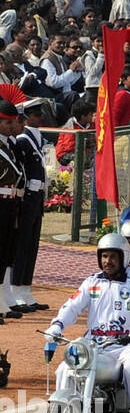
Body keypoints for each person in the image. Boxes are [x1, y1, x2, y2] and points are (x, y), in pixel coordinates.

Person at [45, 233, 130, 413]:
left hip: (124, 345)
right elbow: (73, 306)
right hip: (94, 345)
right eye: (104, 256)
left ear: (124, 258)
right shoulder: (92, 282)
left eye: (113, 256)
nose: (108, 261)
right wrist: (57, 325)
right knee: (64, 369)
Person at [8, 103, 44, 313]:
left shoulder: (32, 138)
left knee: (32, 244)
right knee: (21, 245)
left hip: (36, 195)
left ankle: (25, 289)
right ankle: (15, 289)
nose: (41, 118)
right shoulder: (22, 140)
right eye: (36, 115)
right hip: (25, 196)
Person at [0, 101, 25, 323]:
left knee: (5, 251)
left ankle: (1, 300)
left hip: (9, 202)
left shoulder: (8, 145)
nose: (11, 126)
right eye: (7, 122)